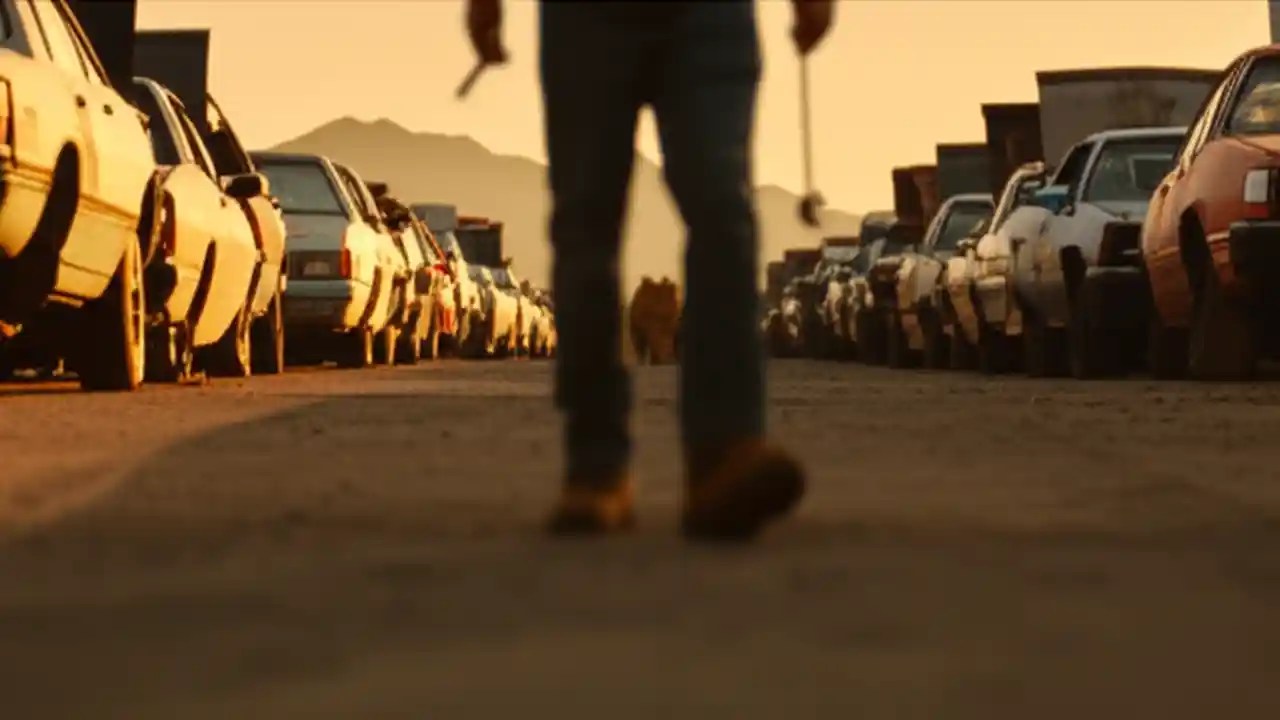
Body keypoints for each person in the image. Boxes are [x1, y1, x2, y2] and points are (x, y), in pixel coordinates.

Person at [466, 0, 835, 540]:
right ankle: (597, 467)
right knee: (586, 229)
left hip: (711, 16)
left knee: (723, 211)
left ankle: (725, 453)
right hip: (585, 20)